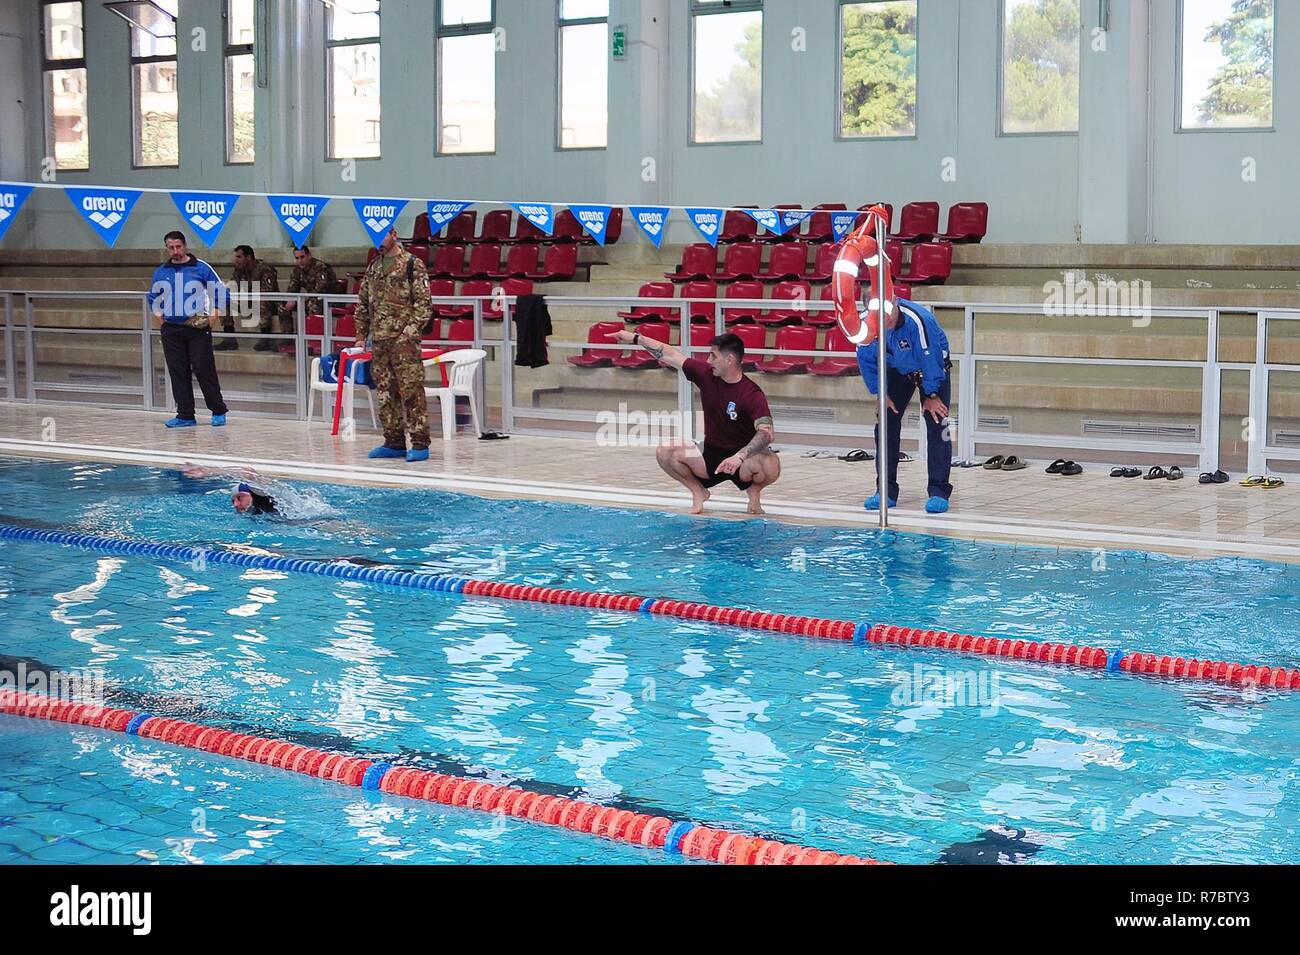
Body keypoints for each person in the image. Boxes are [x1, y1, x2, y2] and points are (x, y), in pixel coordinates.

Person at [611, 328, 780, 515]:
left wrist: (740, 456)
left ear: (729, 360)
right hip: (711, 455)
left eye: (713, 356)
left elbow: (766, 432)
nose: (709, 361)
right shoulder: (706, 374)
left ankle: (754, 492)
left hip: (744, 460)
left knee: (771, 464)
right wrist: (636, 338)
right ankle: (698, 491)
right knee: (665, 451)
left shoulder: (751, 394)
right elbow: (670, 354)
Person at [857, 297, 954, 514]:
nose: (887, 320)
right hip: (896, 369)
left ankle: (938, 490)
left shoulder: (918, 320)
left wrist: (932, 394)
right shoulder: (863, 325)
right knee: (885, 422)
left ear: (896, 304)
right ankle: (885, 490)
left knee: (938, 423)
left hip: (932, 368)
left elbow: (931, 360)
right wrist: (880, 393)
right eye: (880, 318)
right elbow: (866, 360)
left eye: (890, 314)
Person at [352, 227, 433, 462]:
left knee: (411, 392)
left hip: (403, 342)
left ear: (394, 234)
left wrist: (408, 333)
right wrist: (361, 334)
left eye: (382, 236)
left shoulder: (411, 264)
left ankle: (419, 443)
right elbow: (363, 303)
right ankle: (394, 442)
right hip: (379, 341)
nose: (378, 242)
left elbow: (424, 305)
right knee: (386, 394)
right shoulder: (374, 267)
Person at [147, 231, 230, 429]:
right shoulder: (161, 271)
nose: (175, 251)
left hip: (197, 328)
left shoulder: (201, 268)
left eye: (178, 247)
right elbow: (153, 297)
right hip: (172, 329)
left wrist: (213, 317)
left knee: (203, 368)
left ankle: (218, 410)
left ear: (185, 246)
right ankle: (185, 414)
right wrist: (161, 320)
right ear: (166, 248)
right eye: (171, 247)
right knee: (177, 371)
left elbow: (220, 292)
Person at [219, 245, 281, 352]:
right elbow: (231, 285)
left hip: (268, 302)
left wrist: (244, 298)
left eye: (239, 257)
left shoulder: (264, 269)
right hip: (248, 302)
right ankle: (229, 339)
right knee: (224, 300)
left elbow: (268, 291)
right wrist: (235, 297)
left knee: (262, 301)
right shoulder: (239, 270)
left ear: (248, 257)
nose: (236, 260)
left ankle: (266, 338)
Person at [279, 245, 338, 355]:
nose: (300, 261)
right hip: (311, 298)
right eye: (297, 258)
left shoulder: (321, 267)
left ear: (309, 256)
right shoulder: (297, 270)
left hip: (328, 299)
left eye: (302, 257)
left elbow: (321, 289)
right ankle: (288, 337)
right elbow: (292, 287)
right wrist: (290, 299)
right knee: (282, 305)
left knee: (313, 304)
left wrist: (302, 299)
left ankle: (314, 342)